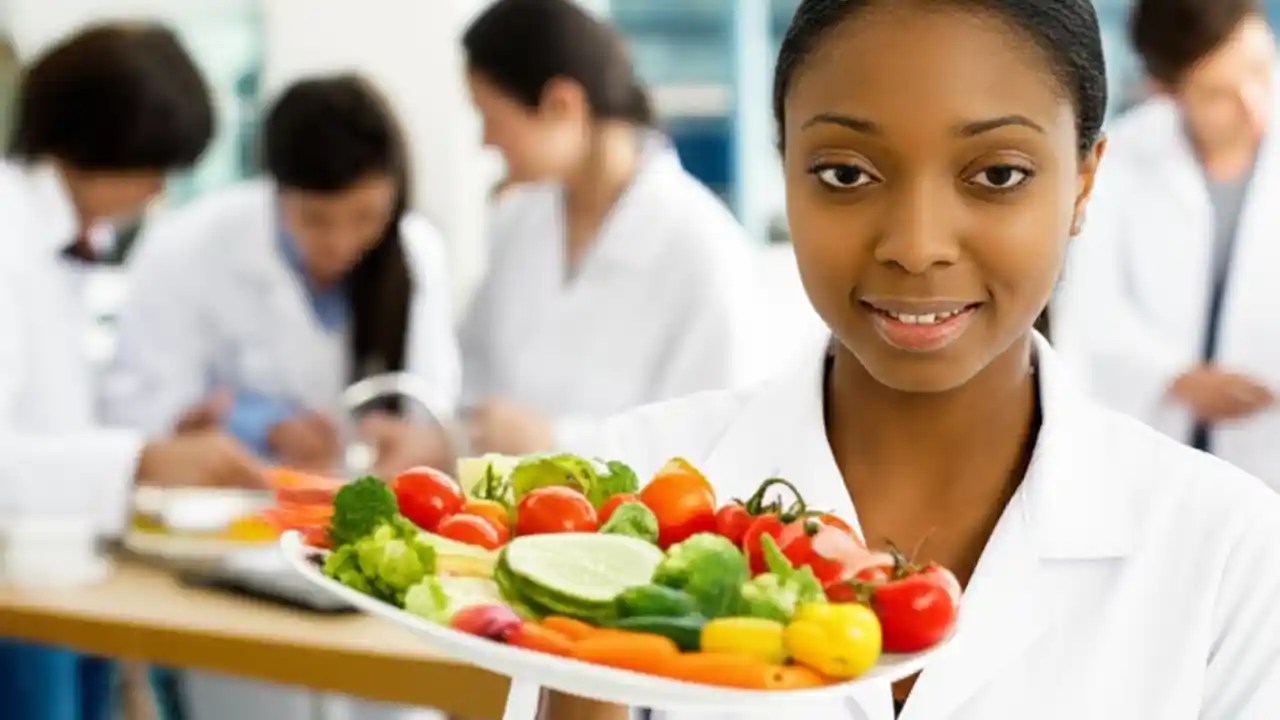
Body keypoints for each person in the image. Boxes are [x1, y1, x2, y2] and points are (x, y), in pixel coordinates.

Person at [551, 0, 1280, 718]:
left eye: (997, 175)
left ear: (1084, 182)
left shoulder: (1229, 556)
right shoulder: (625, 495)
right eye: (844, 173)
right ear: (786, 168)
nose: (916, 242)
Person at [0, 23, 264, 720]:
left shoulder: (71, 237)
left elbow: (51, 415)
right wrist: (144, 458)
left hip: (62, 563)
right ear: (92, 145)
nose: (155, 191)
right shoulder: (7, 233)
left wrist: (160, 439)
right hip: (17, 584)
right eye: (151, 168)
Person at [107, 75, 460, 477]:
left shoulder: (416, 251)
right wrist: (256, 424)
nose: (341, 243)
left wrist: (408, 442)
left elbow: (431, 404)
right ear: (276, 190)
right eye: (316, 220)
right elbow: (139, 409)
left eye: (366, 217)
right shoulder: (184, 247)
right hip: (229, 505)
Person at [458, 0, 762, 456]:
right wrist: (441, 438)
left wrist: (556, 443)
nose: (486, 140)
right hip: (501, 517)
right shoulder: (517, 220)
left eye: (492, 117)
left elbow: (714, 436)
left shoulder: (701, 246)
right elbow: (474, 380)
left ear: (561, 104)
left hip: (630, 526)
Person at [1052, 0, 1280, 490]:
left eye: (1263, 69)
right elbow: (1089, 307)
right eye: (1219, 93)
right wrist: (1175, 377)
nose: (1254, 105)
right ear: (1166, 91)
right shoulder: (1120, 161)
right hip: (1161, 452)